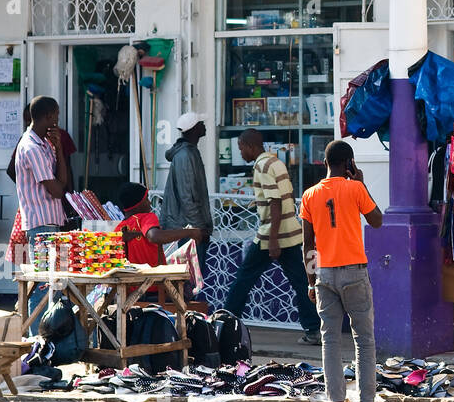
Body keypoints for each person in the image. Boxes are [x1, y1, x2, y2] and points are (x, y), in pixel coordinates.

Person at [301, 140, 383, 402]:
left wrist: (311, 283)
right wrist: (361, 182)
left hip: (324, 275)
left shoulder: (310, 195)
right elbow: (377, 220)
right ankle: (367, 400)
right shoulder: (355, 188)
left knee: (330, 339)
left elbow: (307, 245)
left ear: (325, 163)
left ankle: (336, 399)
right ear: (349, 163)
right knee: (364, 339)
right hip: (355, 274)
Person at [221, 130, 322, 345]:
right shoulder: (275, 162)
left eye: (241, 148)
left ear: (249, 145)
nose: (241, 152)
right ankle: (313, 329)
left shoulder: (261, 166)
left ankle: (225, 323)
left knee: (244, 279)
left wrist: (273, 240)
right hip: (290, 232)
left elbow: (274, 202)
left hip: (271, 235)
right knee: (301, 281)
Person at [13, 97, 71, 285]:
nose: (57, 120)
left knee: (56, 285)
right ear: (49, 116)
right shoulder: (31, 147)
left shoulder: (45, 144)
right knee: (44, 287)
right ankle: (38, 317)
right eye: (56, 115)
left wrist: (59, 147)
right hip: (41, 226)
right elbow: (56, 190)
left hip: (51, 223)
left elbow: (63, 181)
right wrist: (59, 186)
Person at [161, 112, 214, 293]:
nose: (204, 126)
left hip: (189, 228)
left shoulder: (188, 152)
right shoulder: (185, 155)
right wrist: (198, 229)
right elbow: (187, 197)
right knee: (189, 283)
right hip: (188, 229)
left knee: (189, 282)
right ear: (194, 129)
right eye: (201, 123)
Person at [114, 181, 205, 267]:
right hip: (153, 281)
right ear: (139, 203)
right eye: (146, 199)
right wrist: (191, 232)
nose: (149, 203)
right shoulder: (146, 217)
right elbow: (154, 236)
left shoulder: (118, 228)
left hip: (128, 282)